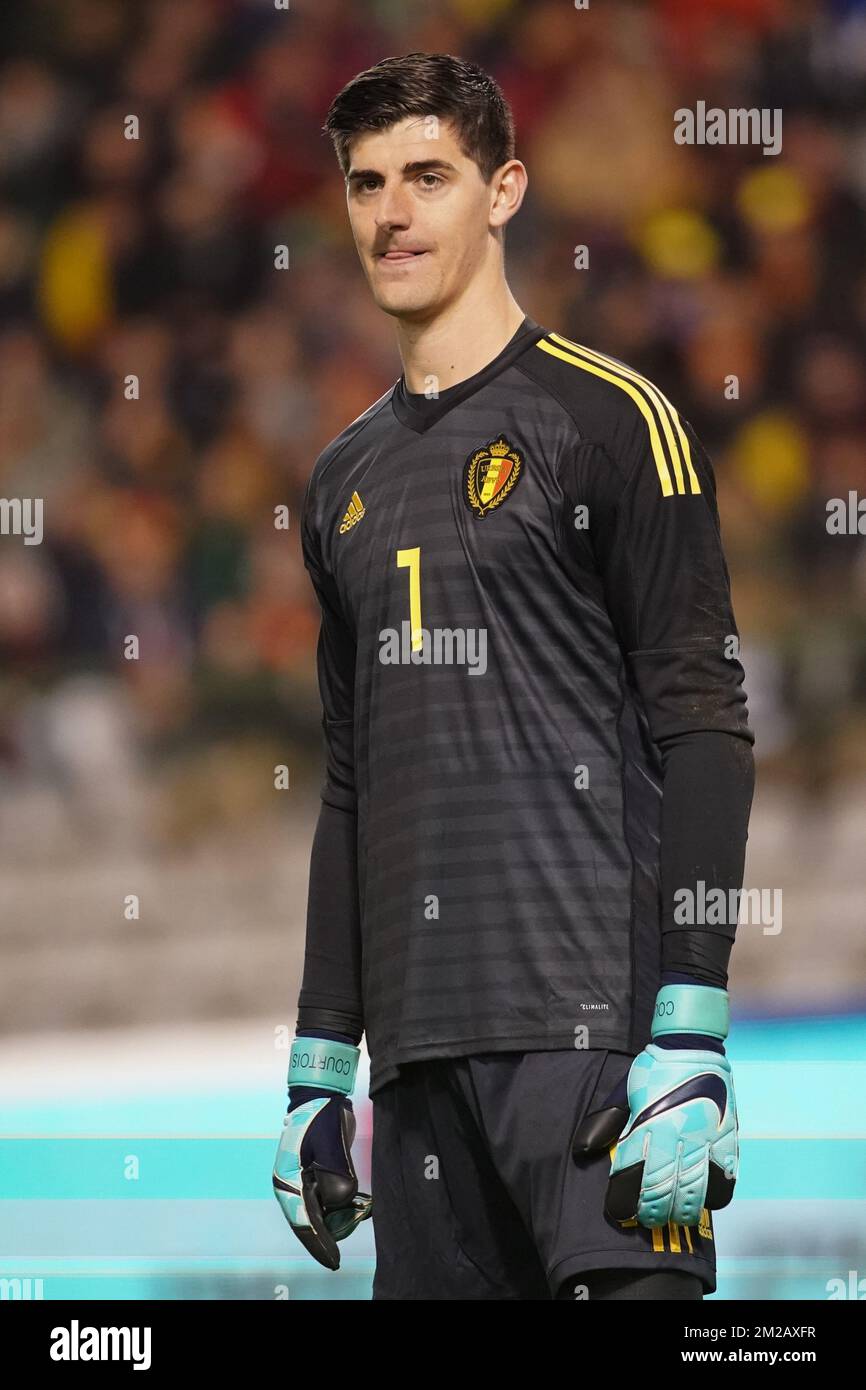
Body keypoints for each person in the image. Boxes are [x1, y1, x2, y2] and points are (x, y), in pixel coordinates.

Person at [272, 52, 755, 1301]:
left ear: (503, 191)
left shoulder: (610, 421)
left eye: (428, 176)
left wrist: (690, 1028)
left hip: (593, 1052)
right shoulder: (337, 482)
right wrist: (322, 1063)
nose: (392, 212)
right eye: (366, 182)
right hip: (416, 1077)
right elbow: (349, 784)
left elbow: (703, 726)